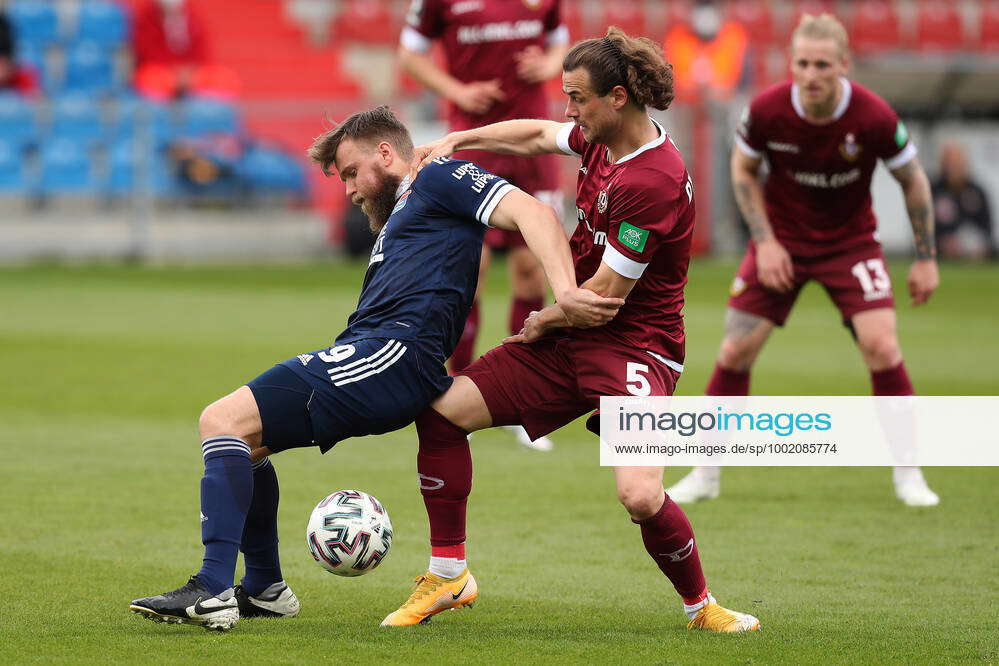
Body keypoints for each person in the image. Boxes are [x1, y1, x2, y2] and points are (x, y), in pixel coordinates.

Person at [128, 106, 621, 631]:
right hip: (374, 353)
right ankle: (264, 587)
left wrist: (565, 293)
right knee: (244, 445)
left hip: (391, 357)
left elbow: (536, 214)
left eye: (350, 172)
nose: (348, 190)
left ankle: (212, 588)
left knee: (221, 421)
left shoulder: (439, 175)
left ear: (386, 154)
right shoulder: (410, 205)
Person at [380, 28, 761, 633]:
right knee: (443, 412)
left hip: (637, 346)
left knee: (639, 495)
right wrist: (460, 138)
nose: (569, 110)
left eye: (578, 98)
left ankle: (701, 607)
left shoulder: (653, 181)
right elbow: (534, 133)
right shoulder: (603, 138)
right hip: (570, 337)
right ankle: (448, 575)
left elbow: (604, 301)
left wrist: (539, 321)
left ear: (617, 97)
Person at [667, 14, 941, 507]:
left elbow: (914, 179)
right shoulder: (769, 110)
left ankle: (909, 474)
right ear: (790, 63)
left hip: (851, 244)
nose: (811, 74)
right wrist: (765, 241)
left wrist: (925, 258)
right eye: (802, 63)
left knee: (882, 346)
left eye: (822, 64)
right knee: (734, 352)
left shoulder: (873, 116)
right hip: (782, 243)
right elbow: (743, 170)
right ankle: (705, 473)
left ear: (843, 65)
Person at [398, 0, 570, 452]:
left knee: (531, 269)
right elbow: (409, 53)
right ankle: (456, 388)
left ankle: (518, 403)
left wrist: (549, 64)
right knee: (470, 271)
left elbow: (559, 42)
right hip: (473, 139)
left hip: (532, 141)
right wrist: (456, 90)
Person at [132, 0, 239, 101]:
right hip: (163, 73)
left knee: (225, 79)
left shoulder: (192, 17)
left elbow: (201, 51)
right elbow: (146, 52)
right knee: (148, 79)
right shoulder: (146, 18)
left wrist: (189, 72)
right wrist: (174, 72)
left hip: (192, 73)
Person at [932, 141, 995, 261]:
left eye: (957, 163)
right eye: (950, 163)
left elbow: (987, 226)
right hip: (941, 254)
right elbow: (923, 226)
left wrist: (982, 244)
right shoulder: (933, 191)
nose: (954, 168)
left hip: (974, 251)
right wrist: (942, 242)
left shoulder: (977, 192)